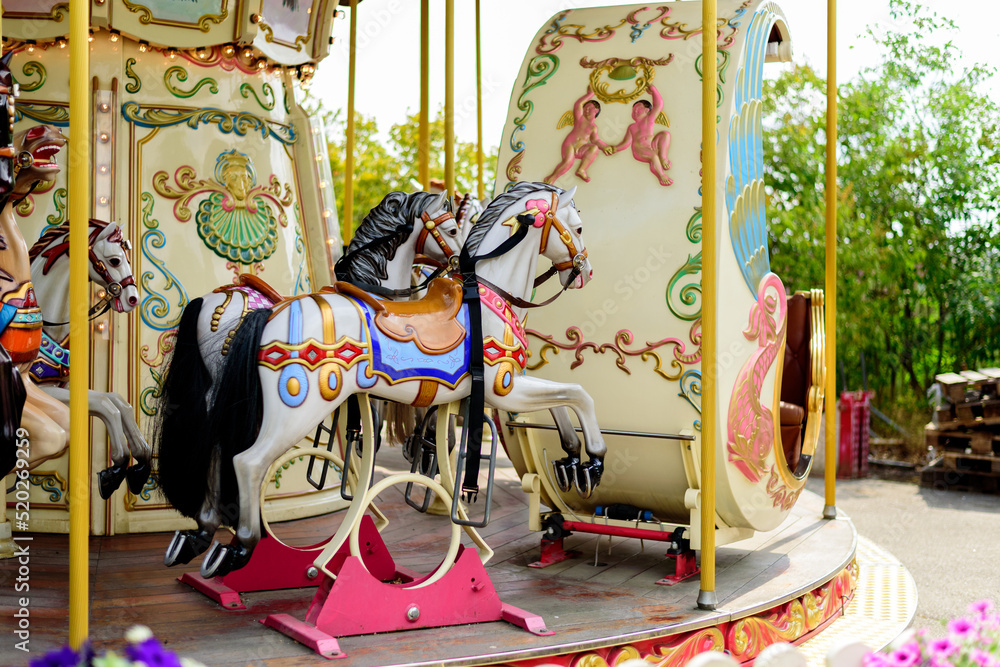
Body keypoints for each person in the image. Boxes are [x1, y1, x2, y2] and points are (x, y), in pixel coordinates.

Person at [544, 89, 614, 184]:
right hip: (570, 145)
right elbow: (578, 105)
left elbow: (595, 140)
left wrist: (604, 146)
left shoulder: (593, 128)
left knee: (594, 148)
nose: (587, 110)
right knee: (568, 162)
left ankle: (581, 169)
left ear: (596, 110)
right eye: (585, 108)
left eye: (590, 108)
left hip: (580, 148)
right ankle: (551, 179)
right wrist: (590, 94)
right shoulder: (580, 119)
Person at [609, 84, 672, 186]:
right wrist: (615, 148)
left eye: (638, 109)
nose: (635, 111)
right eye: (633, 110)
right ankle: (661, 175)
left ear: (647, 110)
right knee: (653, 155)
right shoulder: (632, 127)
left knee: (665, 134)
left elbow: (658, 105)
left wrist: (654, 90)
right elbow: (625, 143)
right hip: (640, 150)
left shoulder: (648, 119)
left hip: (652, 146)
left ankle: (663, 157)